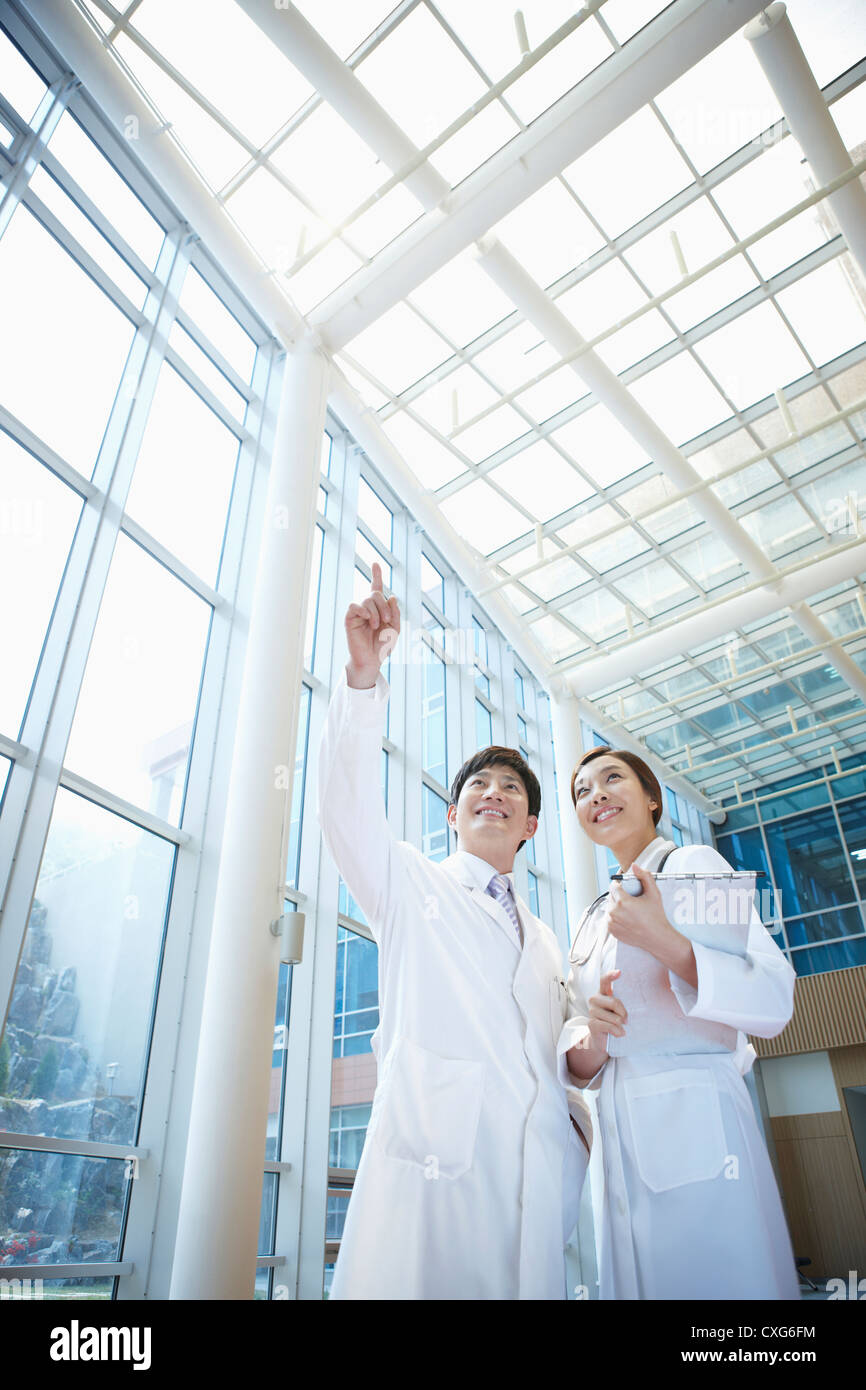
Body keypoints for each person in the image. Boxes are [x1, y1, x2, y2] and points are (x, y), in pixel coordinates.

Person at [317, 563, 591, 1300]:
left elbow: (563, 1053)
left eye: (510, 789)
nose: (493, 793)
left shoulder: (545, 941)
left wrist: (578, 1130)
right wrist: (362, 680)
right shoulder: (408, 883)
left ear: (531, 826)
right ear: (453, 815)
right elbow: (344, 805)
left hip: (532, 1181)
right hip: (433, 1169)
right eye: (477, 786)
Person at [558, 744, 799, 1300]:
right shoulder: (596, 915)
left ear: (650, 798)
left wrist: (664, 942)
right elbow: (581, 1053)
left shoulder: (693, 866)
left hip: (695, 1118)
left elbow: (772, 995)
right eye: (581, 791)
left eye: (611, 778)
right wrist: (593, 1037)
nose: (595, 794)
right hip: (617, 1122)